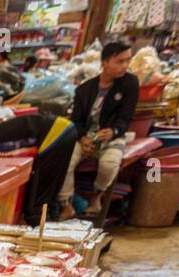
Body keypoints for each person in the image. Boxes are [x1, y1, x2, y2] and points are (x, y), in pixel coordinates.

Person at [58, 42, 139, 221]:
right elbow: (76, 120)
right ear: (104, 62)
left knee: (110, 164)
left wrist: (113, 131)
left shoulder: (130, 84)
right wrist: (82, 138)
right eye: (119, 61)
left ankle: (97, 195)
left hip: (112, 137)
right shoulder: (84, 89)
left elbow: (126, 118)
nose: (124, 66)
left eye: (127, 61)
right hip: (86, 136)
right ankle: (66, 204)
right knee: (63, 161)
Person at [0, 111, 78, 226]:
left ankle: (37, 225)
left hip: (55, 132)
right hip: (64, 128)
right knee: (49, 185)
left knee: (42, 188)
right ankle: (43, 221)